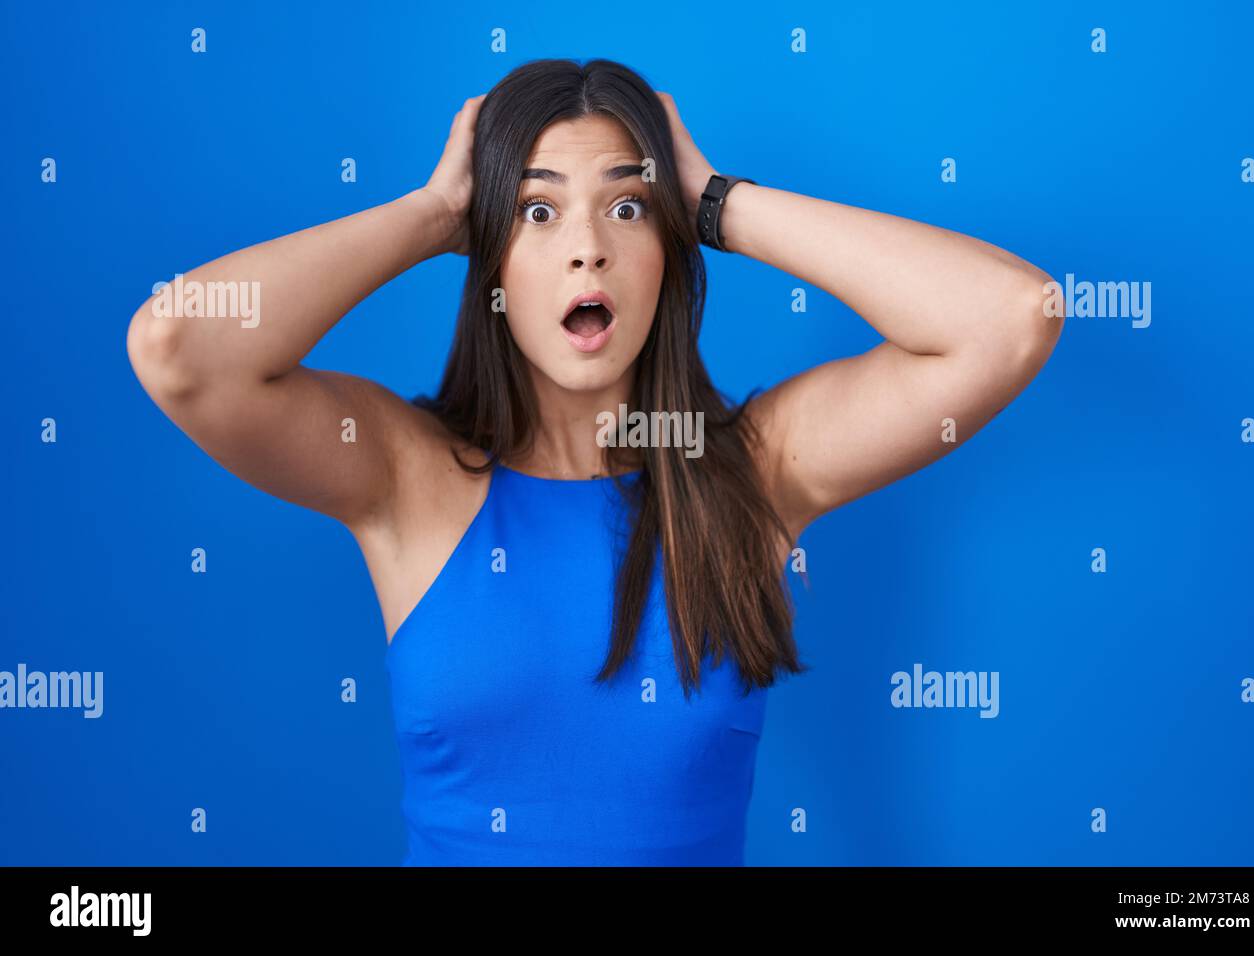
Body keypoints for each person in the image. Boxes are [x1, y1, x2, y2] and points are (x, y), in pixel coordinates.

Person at [125, 58, 1062, 865]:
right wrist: (435, 212)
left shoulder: (753, 469)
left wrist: (715, 202)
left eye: (627, 206)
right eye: (535, 211)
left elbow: (1012, 318)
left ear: (670, 249)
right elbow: (178, 348)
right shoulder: (405, 473)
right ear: (491, 262)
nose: (586, 250)